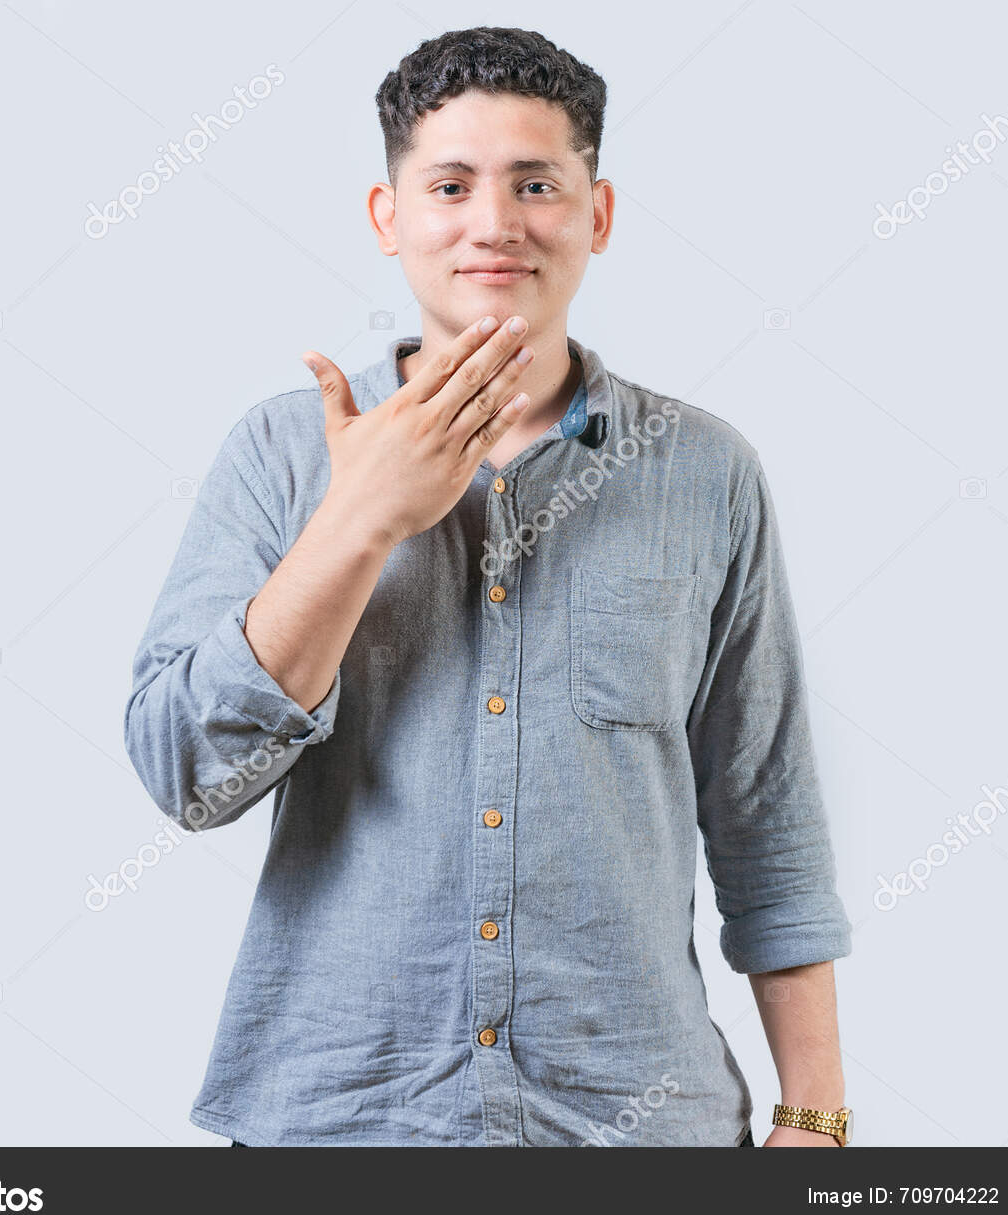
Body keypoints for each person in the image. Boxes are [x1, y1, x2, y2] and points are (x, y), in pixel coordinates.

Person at [124, 26, 853, 1147]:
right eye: (451, 185)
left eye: (537, 184)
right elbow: (187, 775)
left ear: (597, 214)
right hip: (340, 1122)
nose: (495, 223)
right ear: (389, 216)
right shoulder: (280, 455)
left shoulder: (705, 472)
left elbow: (765, 810)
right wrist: (360, 519)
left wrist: (818, 1116)